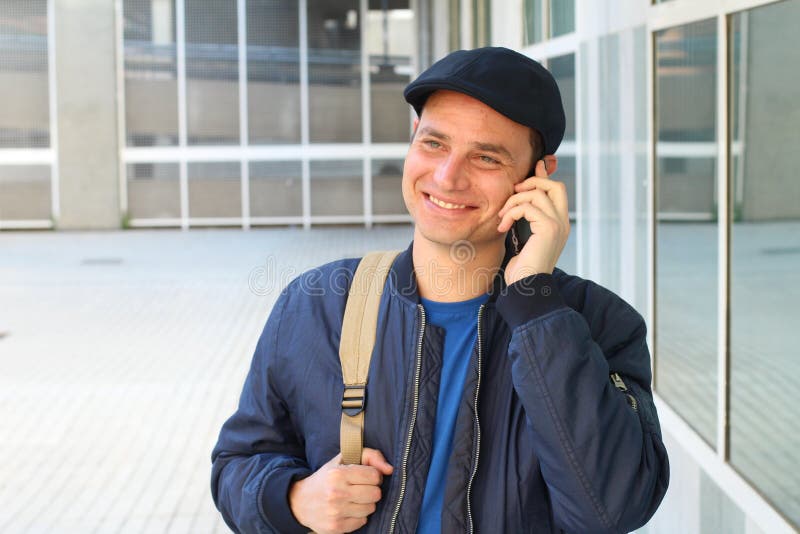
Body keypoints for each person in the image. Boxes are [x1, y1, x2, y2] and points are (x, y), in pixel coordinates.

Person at [211, 46, 669, 534]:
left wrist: (536, 302)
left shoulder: (598, 324)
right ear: (412, 141)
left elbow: (612, 509)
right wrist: (295, 498)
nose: (448, 177)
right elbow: (237, 463)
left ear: (538, 178)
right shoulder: (317, 304)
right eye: (434, 144)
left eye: (486, 156)